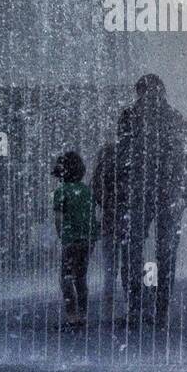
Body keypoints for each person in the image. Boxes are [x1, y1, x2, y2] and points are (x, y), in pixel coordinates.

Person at [115, 74, 187, 323]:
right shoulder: (173, 117)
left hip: (144, 191)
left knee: (136, 250)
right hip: (161, 192)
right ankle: (157, 308)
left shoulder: (131, 117)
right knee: (161, 251)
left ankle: (140, 307)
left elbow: (123, 155)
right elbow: (182, 158)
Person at [52, 151, 98, 329]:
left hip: (71, 240)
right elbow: (92, 214)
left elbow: (59, 218)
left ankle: (72, 316)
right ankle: (83, 314)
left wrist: (62, 235)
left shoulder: (61, 191)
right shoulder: (87, 191)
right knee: (81, 277)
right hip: (87, 240)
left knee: (66, 277)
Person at [89, 141, 120, 312]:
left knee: (110, 266)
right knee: (131, 262)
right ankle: (137, 302)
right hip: (126, 223)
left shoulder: (99, 176)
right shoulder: (123, 173)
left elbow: (92, 199)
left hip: (108, 223)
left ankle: (109, 297)